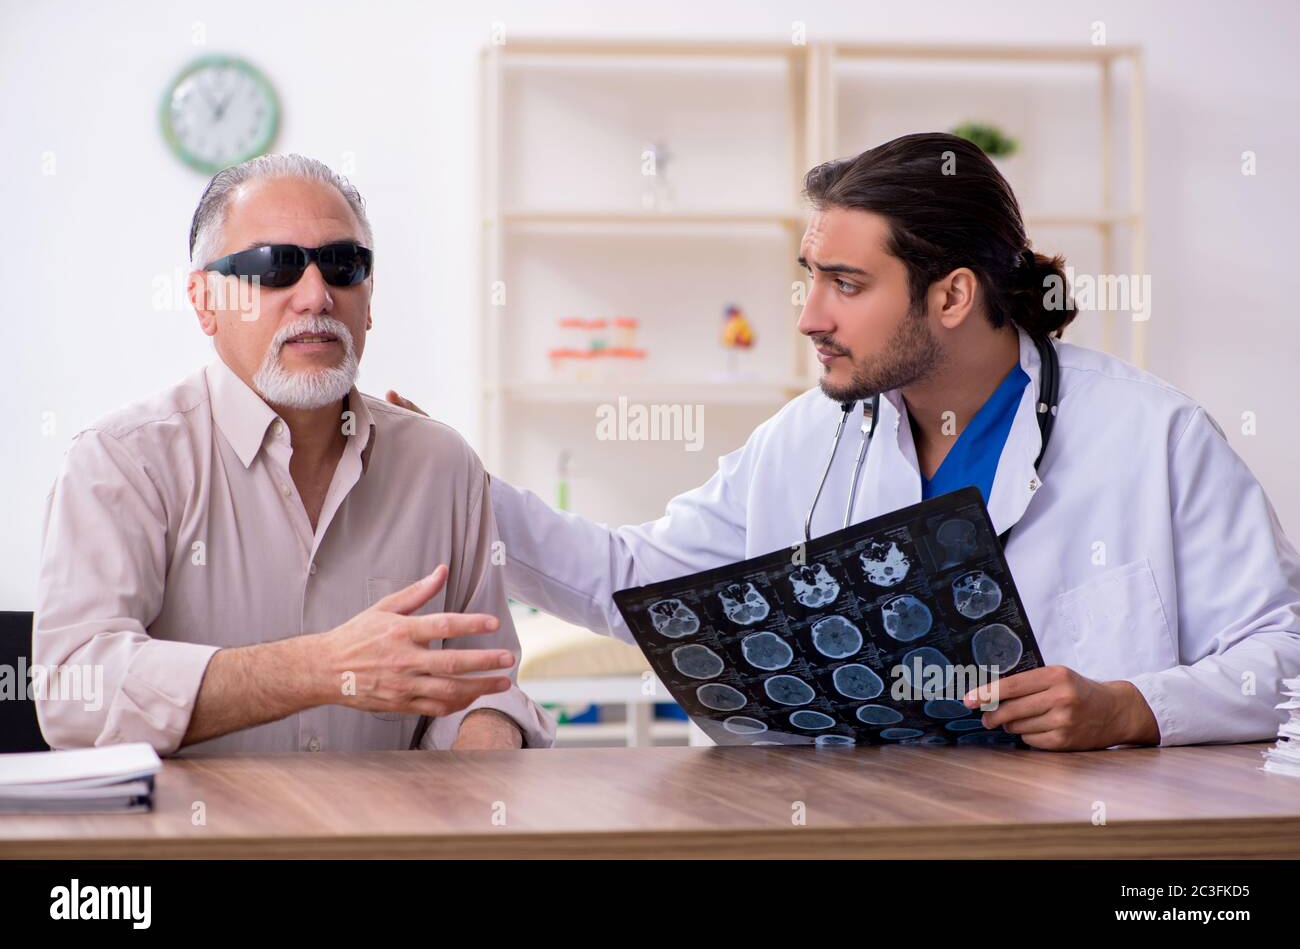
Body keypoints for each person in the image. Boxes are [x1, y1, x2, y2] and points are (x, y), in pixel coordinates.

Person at [394, 132, 1300, 750]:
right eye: (809, 279)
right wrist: (453, 480)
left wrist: (1131, 706)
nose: (811, 316)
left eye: (846, 283)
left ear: (950, 296)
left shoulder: (1154, 435)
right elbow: (643, 581)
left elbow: (1284, 657)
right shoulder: (812, 433)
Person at [35, 153, 555, 755]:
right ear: (204, 301)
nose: (315, 296)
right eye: (273, 267)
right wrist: (321, 669)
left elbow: (479, 684)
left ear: (369, 296)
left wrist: (484, 738)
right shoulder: (122, 463)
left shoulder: (442, 466)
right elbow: (76, 692)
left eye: (342, 265)